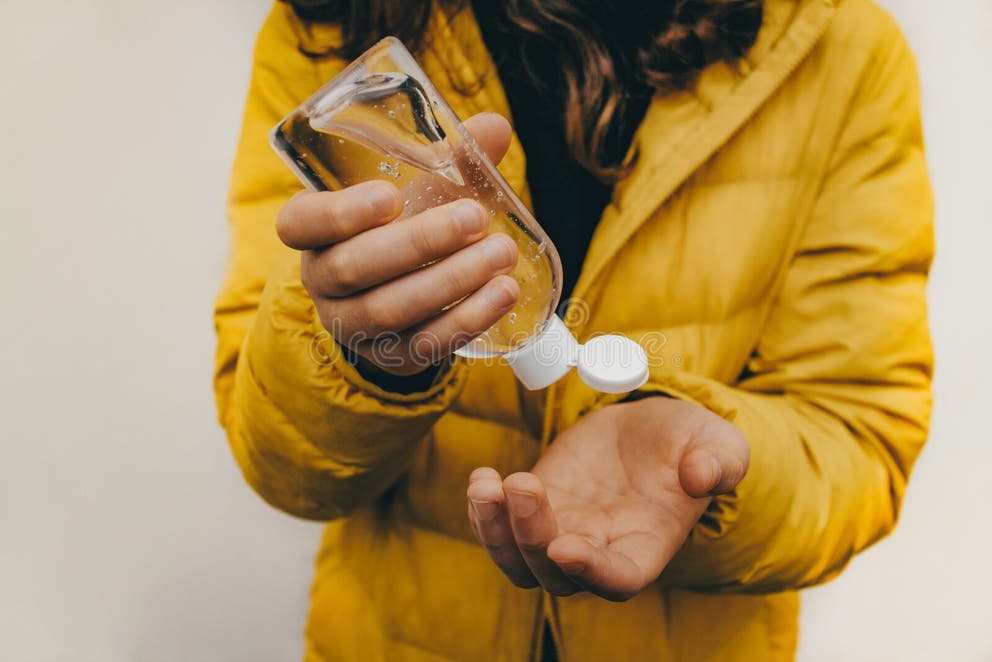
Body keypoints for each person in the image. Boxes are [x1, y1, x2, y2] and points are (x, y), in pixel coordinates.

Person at [213, 0, 934, 659]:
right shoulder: (333, 21)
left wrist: (706, 465)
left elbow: (859, 435)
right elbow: (286, 473)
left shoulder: (833, 43)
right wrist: (361, 353)